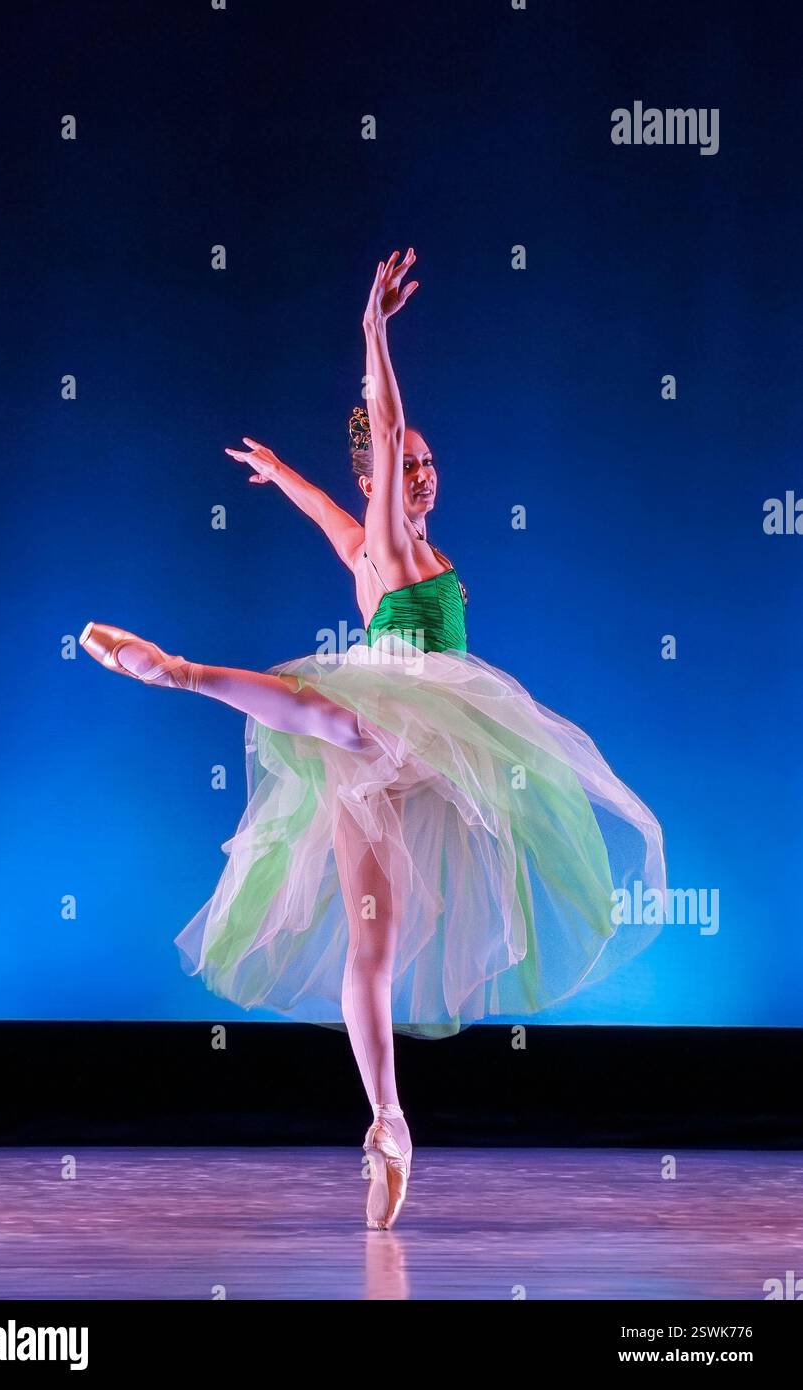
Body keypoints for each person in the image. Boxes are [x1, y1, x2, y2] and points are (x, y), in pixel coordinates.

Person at [81, 249, 666, 1230]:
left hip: (420, 756)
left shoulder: (379, 545)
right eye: (408, 465)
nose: (421, 471)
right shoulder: (392, 538)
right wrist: (372, 331)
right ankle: (384, 1120)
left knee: (349, 785)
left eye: (430, 463)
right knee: (361, 880)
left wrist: (282, 476)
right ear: (385, 477)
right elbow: (382, 427)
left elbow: (332, 513)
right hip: (403, 724)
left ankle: (392, 1130)